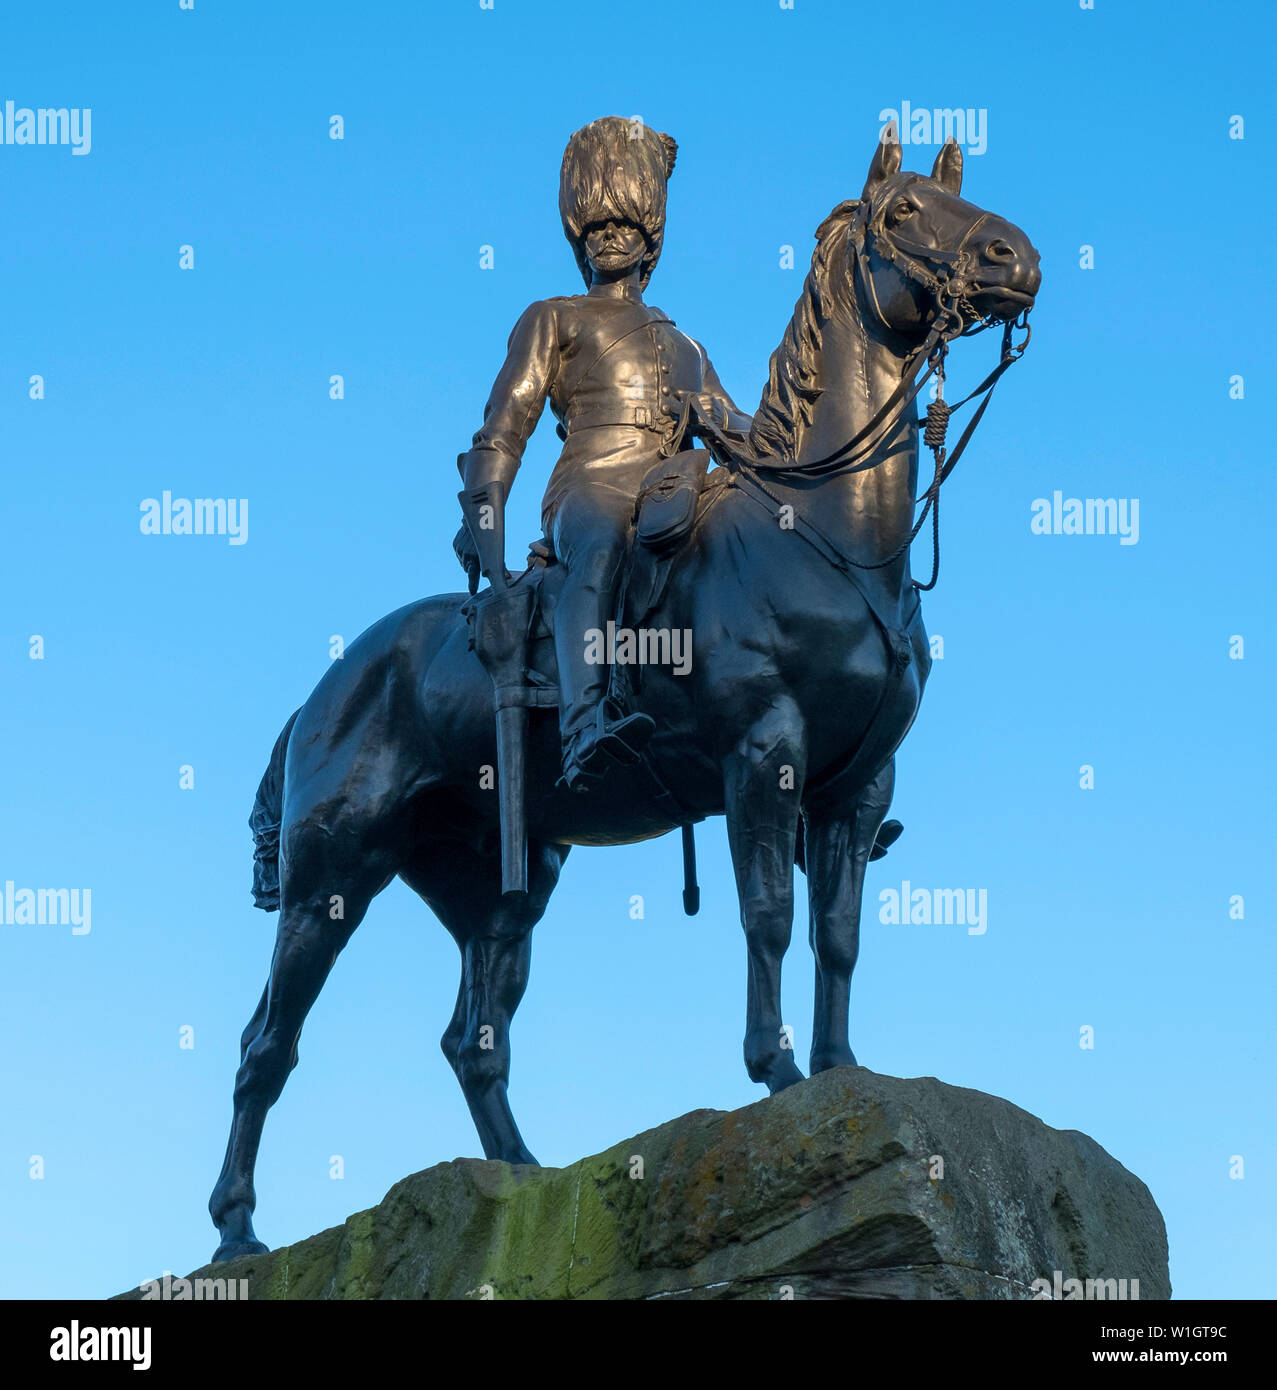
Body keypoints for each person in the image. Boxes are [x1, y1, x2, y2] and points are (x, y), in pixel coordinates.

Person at [456, 116, 751, 791]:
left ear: (652, 242)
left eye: (626, 227)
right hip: (589, 484)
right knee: (601, 547)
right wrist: (484, 518)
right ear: (578, 242)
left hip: (674, 486)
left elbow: (740, 433)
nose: (610, 237)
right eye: (594, 228)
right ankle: (583, 726)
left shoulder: (688, 346)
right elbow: (505, 426)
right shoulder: (553, 316)